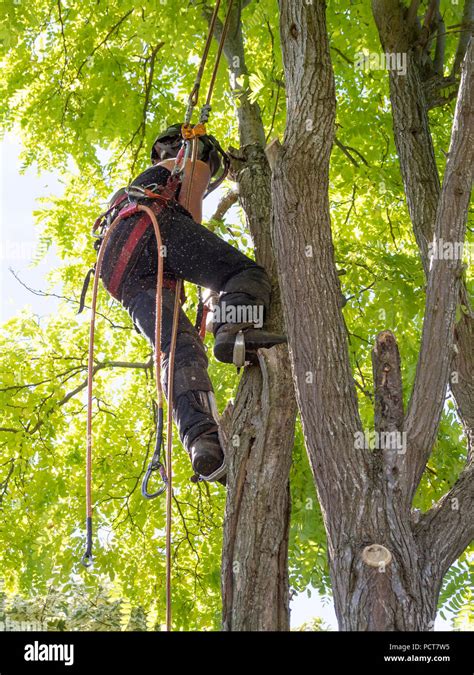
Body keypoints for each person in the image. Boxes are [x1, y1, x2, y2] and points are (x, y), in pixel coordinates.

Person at [98, 124, 285, 483]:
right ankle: (233, 328)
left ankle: (203, 442)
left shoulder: (126, 193)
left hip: (118, 271)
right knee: (243, 274)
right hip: (151, 229)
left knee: (177, 347)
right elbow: (191, 218)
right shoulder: (184, 165)